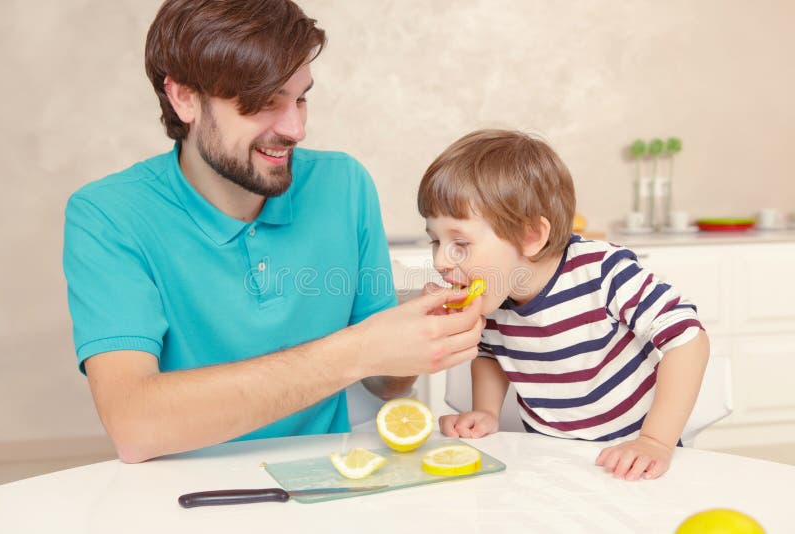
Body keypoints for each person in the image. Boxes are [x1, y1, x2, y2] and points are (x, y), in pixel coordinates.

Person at [62, 0, 484, 464]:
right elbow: (135, 424)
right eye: (264, 103)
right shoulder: (108, 215)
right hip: (186, 494)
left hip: (333, 475)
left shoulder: (343, 184)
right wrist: (360, 350)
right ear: (184, 98)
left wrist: (412, 337)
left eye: (300, 98)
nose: (296, 128)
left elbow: (380, 382)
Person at [418, 129, 709, 481]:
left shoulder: (603, 271)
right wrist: (486, 410)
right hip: (553, 461)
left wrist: (655, 441)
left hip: (633, 461)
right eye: (436, 241)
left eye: (460, 243)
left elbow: (687, 339)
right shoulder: (494, 294)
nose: (441, 261)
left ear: (530, 236)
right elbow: (489, 352)